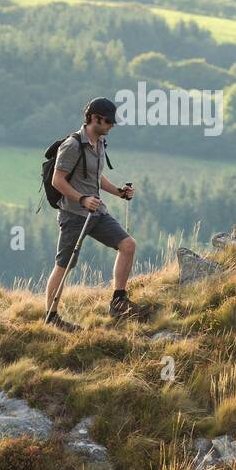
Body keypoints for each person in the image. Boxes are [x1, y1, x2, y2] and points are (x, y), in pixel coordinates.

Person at [43, 97, 147, 331]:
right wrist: (82, 198)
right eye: (107, 121)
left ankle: (118, 302)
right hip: (73, 214)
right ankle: (51, 318)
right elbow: (57, 180)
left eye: (112, 121)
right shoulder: (72, 146)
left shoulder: (99, 143)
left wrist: (119, 192)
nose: (111, 125)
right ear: (93, 118)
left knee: (128, 245)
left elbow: (96, 176)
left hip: (96, 212)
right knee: (64, 265)